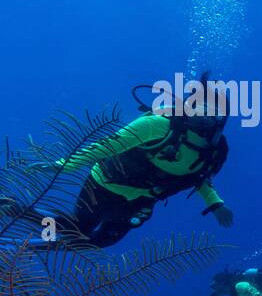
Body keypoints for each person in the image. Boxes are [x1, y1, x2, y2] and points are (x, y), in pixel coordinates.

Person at [44, 73, 235, 247]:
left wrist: (215, 204)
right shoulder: (159, 125)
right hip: (105, 186)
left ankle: (49, 245)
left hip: (139, 201)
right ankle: (23, 214)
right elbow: (108, 145)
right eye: (200, 108)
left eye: (214, 112)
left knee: (103, 240)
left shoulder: (214, 150)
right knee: (76, 228)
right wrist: (65, 165)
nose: (206, 117)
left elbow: (198, 176)